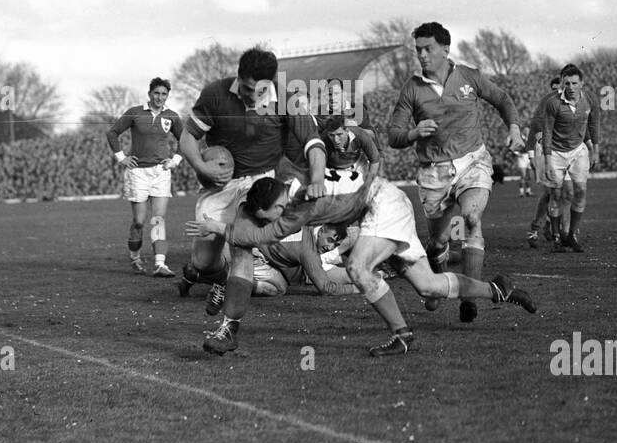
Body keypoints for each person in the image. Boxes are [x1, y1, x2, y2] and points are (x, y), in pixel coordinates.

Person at [197, 175, 537, 356]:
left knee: (360, 269)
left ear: (274, 205)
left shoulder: (296, 208)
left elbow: (265, 234)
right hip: (384, 201)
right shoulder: (296, 187)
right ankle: (498, 289)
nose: (273, 217)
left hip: (381, 204)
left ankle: (403, 336)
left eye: (269, 213)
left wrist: (220, 229)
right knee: (428, 286)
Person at [177, 47, 327, 346]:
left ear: (270, 83)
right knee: (204, 261)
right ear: (238, 76)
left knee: (242, 244)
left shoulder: (287, 99)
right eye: (246, 89)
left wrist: (319, 177)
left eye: (259, 91)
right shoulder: (215, 94)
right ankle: (220, 280)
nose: (251, 97)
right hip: (218, 186)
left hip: (260, 182)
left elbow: (313, 143)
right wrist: (201, 165)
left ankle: (228, 329)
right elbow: (188, 136)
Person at [386, 22, 524, 322]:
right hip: (434, 173)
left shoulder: (468, 76)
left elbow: (502, 99)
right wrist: (414, 132)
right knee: (438, 242)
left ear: (445, 49)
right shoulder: (412, 88)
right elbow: (393, 135)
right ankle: (437, 274)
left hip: (472, 162)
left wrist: (513, 127)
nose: (422, 55)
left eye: (428, 49)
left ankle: (469, 297)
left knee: (472, 218)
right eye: (418, 50)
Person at [106, 77, 183, 276]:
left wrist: (174, 160)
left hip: (161, 172)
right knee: (139, 221)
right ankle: (135, 258)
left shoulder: (172, 116)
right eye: (156, 93)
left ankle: (160, 264)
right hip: (137, 173)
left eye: (164, 94)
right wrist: (121, 158)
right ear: (149, 94)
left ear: (167, 96)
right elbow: (112, 133)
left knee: (158, 218)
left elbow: (186, 139)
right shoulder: (135, 112)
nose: (160, 97)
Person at [540, 64, 600, 252]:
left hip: (577, 151)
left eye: (575, 83)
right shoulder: (553, 103)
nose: (571, 87)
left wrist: (595, 150)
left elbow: (594, 125)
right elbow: (547, 132)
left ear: (582, 83)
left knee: (580, 191)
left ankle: (572, 235)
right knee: (556, 195)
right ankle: (558, 237)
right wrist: (548, 160)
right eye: (567, 83)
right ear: (562, 84)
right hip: (556, 152)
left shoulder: (590, 100)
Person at [527, 75, 563, 248]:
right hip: (546, 155)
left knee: (561, 194)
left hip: (565, 154)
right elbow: (534, 128)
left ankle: (550, 228)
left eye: (559, 89)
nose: (557, 92)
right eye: (554, 89)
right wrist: (530, 156)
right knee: (550, 193)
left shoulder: (569, 108)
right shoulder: (545, 108)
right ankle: (537, 228)